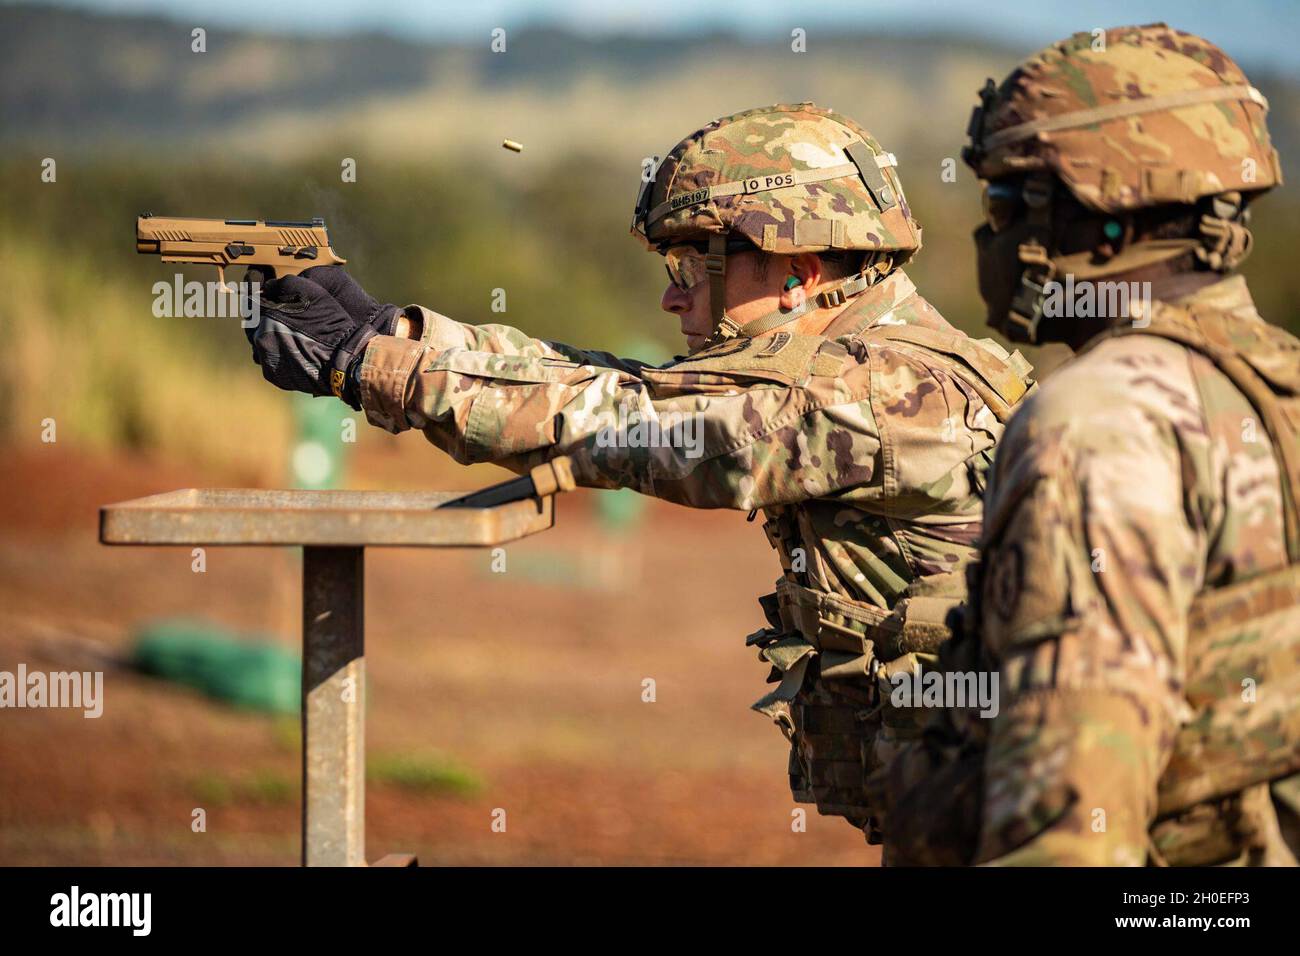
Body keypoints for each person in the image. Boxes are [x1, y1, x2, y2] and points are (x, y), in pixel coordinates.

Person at [241, 103, 1033, 850]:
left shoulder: (882, 394)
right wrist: (403, 333)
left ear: (798, 269)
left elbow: (640, 428)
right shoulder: (878, 363)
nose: (670, 295)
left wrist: (381, 371)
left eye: (694, 264)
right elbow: (628, 388)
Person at [878, 23, 1300, 866]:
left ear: (1097, 222)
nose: (989, 238)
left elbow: (1070, 818)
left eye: (1006, 206)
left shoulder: (1099, 418)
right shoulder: (1280, 383)